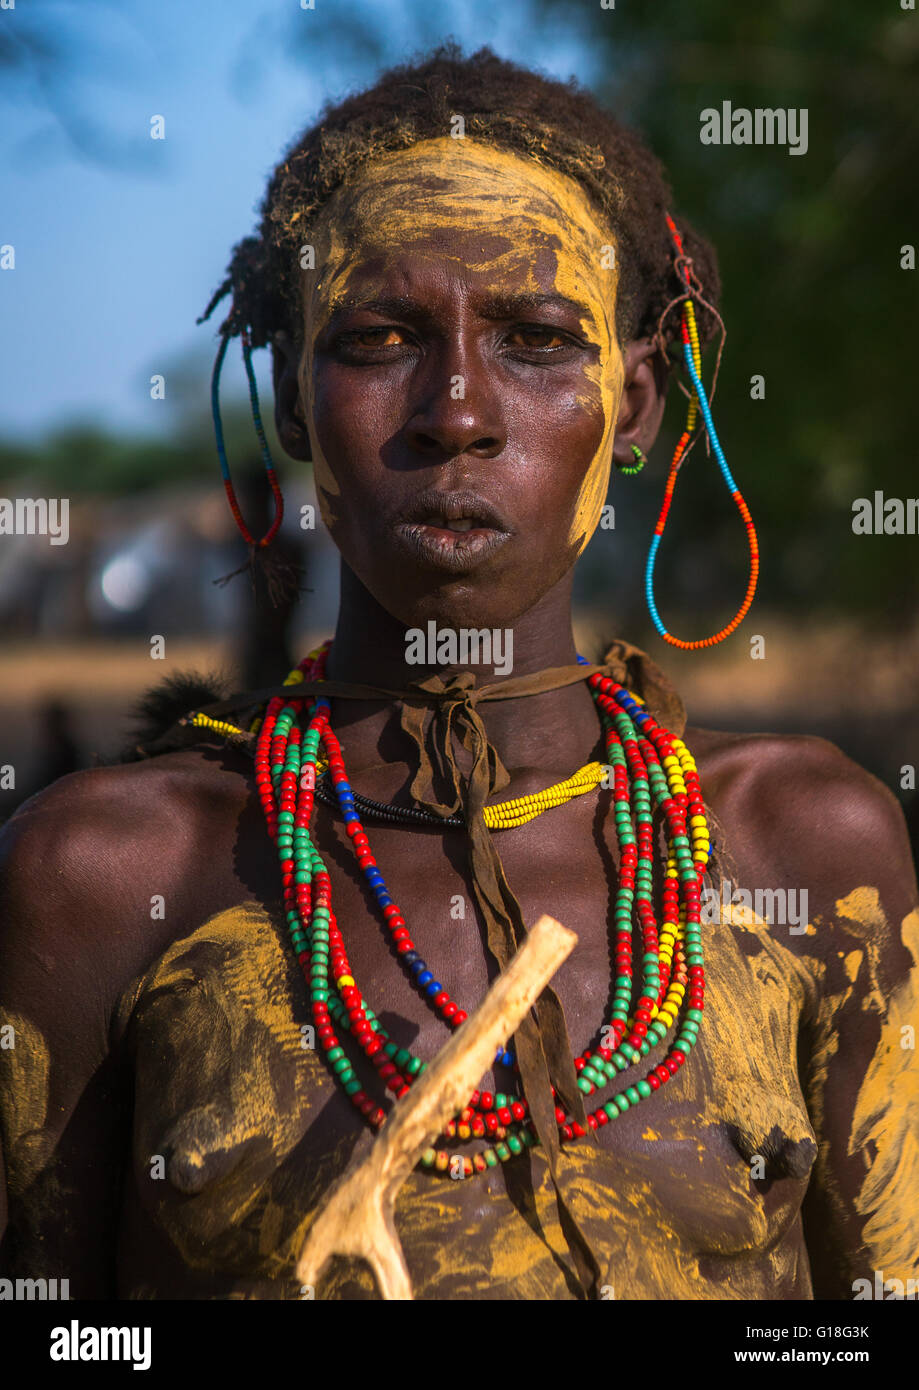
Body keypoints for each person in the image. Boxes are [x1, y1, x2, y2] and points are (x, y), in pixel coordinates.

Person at [1, 44, 916, 1302]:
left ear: (636, 403)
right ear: (291, 402)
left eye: (538, 339)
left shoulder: (804, 855)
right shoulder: (104, 880)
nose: (456, 410)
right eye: (378, 338)